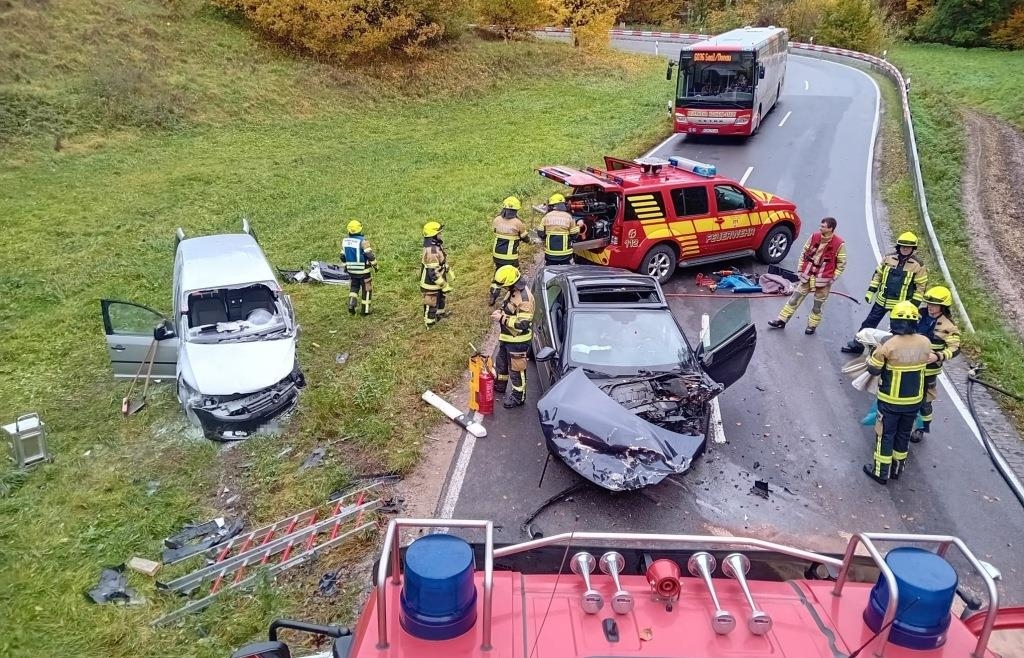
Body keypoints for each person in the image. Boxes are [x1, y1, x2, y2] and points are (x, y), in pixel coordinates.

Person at [863, 301, 937, 484]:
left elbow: (874, 370)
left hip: (891, 401)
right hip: (914, 401)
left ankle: (881, 472)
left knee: (885, 434)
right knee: (903, 435)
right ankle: (897, 469)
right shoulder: (925, 342)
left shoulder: (889, 345)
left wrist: (873, 353)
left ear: (894, 321)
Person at [841, 232, 928, 354]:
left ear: (913, 249)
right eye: (902, 246)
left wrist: (914, 304)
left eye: (908, 247)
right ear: (898, 246)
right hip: (882, 300)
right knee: (868, 324)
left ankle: (892, 354)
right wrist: (871, 291)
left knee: (898, 331)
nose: (905, 249)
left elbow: (921, 286)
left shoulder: (918, 265)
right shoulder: (888, 258)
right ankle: (857, 345)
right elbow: (878, 274)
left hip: (901, 306)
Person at [767, 216, 846, 334]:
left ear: (830, 229)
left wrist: (832, 278)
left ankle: (812, 326)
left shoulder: (839, 244)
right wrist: (800, 270)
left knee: (818, 305)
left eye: (823, 227)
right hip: (807, 276)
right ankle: (781, 320)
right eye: (821, 226)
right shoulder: (814, 237)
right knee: (794, 299)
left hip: (823, 280)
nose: (820, 228)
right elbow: (804, 253)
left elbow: (842, 263)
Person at [911, 286, 961, 443]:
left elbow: (955, 348)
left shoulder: (948, 326)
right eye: (928, 303)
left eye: (933, 304)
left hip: (929, 370)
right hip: (909, 364)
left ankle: (921, 428)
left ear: (943, 306)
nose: (930, 306)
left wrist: (938, 356)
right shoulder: (918, 314)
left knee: (925, 401)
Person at [491, 265, 534, 408]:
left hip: (518, 341)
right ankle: (500, 385)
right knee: (501, 364)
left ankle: (518, 397)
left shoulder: (525, 299)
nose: (504, 288)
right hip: (507, 337)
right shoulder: (513, 291)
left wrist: (501, 319)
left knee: (517, 370)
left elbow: (522, 324)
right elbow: (507, 307)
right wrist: (500, 311)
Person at [489, 196, 529, 306]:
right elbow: (525, 238)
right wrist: (527, 239)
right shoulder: (517, 223)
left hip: (497, 255)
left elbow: (495, 231)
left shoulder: (496, 220)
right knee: (515, 275)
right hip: (510, 256)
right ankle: (514, 295)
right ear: (515, 210)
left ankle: (493, 296)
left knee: (498, 273)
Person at [340, 220, 377, 316]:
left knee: (354, 287)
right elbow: (370, 255)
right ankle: (365, 310)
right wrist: (375, 265)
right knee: (367, 289)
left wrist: (345, 266)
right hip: (363, 271)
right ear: (360, 230)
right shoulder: (363, 241)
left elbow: (342, 256)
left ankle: (351, 304)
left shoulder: (345, 241)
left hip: (352, 271)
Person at [420, 221, 451, 328]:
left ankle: (440, 315)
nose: (441, 235)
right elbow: (433, 273)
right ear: (433, 235)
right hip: (431, 284)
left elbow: (440, 261)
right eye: (439, 233)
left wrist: (446, 267)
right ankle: (430, 324)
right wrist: (444, 285)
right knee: (431, 302)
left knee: (441, 298)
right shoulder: (431, 251)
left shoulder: (434, 246)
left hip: (438, 281)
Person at [537, 193, 579, 265]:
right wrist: (578, 226)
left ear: (553, 206)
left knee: (550, 272)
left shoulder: (547, 216)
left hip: (550, 254)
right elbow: (574, 235)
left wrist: (546, 237)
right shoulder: (568, 217)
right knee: (566, 272)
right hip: (566, 255)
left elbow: (540, 233)